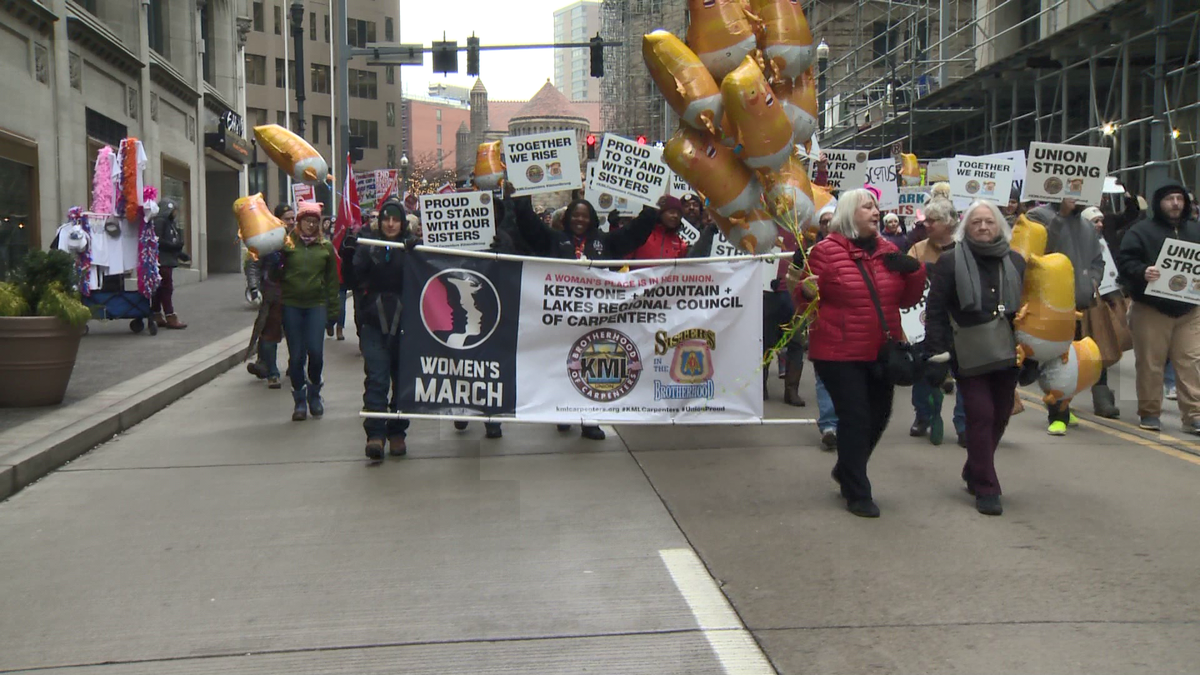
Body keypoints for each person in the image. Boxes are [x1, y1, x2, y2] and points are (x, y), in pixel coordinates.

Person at [794, 188, 926, 517]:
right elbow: (804, 299)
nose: (876, 212)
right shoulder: (824, 252)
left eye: (877, 207)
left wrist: (914, 272)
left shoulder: (888, 251)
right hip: (838, 352)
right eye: (867, 207)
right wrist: (806, 290)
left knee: (879, 416)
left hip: (881, 350)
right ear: (850, 213)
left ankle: (846, 468)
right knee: (855, 417)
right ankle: (857, 490)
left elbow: (907, 301)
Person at [509, 183, 658, 440]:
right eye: (575, 215)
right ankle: (562, 413)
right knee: (561, 365)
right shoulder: (553, 239)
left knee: (591, 366)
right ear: (567, 219)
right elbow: (530, 226)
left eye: (585, 216)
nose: (580, 220)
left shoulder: (605, 242)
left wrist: (651, 208)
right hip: (561, 319)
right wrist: (521, 196)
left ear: (592, 220)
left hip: (594, 319)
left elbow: (634, 235)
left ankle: (590, 420)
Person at [924, 200, 1025, 516]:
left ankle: (973, 468)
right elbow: (936, 311)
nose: (983, 227)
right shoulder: (950, 261)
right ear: (965, 227)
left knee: (1001, 414)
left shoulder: (1017, 261)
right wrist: (936, 354)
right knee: (980, 414)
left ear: (999, 227)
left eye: (989, 222)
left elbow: (1029, 310)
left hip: (1007, 351)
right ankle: (986, 486)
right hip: (967, 351)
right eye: (976, 222)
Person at [1117, 182, 1200, 433]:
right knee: (1150, 363)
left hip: (1189, 309)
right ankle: (1150, 412)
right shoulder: (1140, 231)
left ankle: (1194, 415)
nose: (1175, 203)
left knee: (1191, 362)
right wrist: (1142, 271)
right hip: (1151, 307)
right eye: (1169, 199)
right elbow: (1125, 261)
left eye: (1179, 199)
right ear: (1158, 203)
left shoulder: (1196, 230)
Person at [1027, 198, 1104, 435]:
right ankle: (1056, 414)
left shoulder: (1086, 225)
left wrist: (1092, 281)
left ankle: (1063, 406)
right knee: (1055, 362)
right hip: (1049, 303)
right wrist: (1060, 216)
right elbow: (1038, 252)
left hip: (1078, 303)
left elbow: (1097, 261)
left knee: (1073, 362)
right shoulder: (1038, 216)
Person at [352, 197, 413, 459]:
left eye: (395, 219)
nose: (390, 224)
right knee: (376, 378)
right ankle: (375, 433)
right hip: (374, 321)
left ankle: (397, 431)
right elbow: (354, 277)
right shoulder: (369, 245)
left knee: (401, 381)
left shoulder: (411, 248)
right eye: (386, 218)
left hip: (405, 323)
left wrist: (416, 252)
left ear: (402, 222)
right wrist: (352, 253)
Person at [906, 198, 967, 446]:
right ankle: (923, 416)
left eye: (933, 220)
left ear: (949, 223)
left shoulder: (966, 250)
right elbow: (906, 282)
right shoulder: (918, 250)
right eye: (926, 220)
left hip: (961, 323)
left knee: (964, 374)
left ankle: (964, 424)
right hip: (927, 321)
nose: (927, 225)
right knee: (923, 370)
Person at [279, 201, 339, 421]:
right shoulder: (286, 245)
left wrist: (334, 311)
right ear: (299, 222)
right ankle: (299, 400)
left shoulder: (325, 248)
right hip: (292, 304)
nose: (311, 225)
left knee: (315, 351)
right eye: (307, 221)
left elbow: (333, 282)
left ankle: (315, 393)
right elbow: (275, 275)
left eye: (315, 221)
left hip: (316, 305)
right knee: (296, 357)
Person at [246, 204, 293, 389]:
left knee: (295, 334)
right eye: (287, 218)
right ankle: (271, 370)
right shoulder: (266, 239)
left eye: (292, 218)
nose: (291, 221)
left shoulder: (298, 237)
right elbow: (253, 264)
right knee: (269, 333)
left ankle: (295, 366)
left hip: (295, 293)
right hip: (273, 293)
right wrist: (254, 288)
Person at [151, 199, 189, 329]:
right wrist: (174, 247)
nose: (176, 213)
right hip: (162, 261)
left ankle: (156, 314)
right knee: (166, 289)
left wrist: (180, 253)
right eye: (174, 210)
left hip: (166, 260)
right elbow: (158, 240)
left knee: (160, 289)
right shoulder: (160, 221)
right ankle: (170, 316)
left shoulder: (168, 223)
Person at [630, 196, 689, 260]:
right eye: (671, 212)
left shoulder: (681, 245)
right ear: (661, 213)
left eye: (679, 214)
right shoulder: (641, 234)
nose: (675, 216)